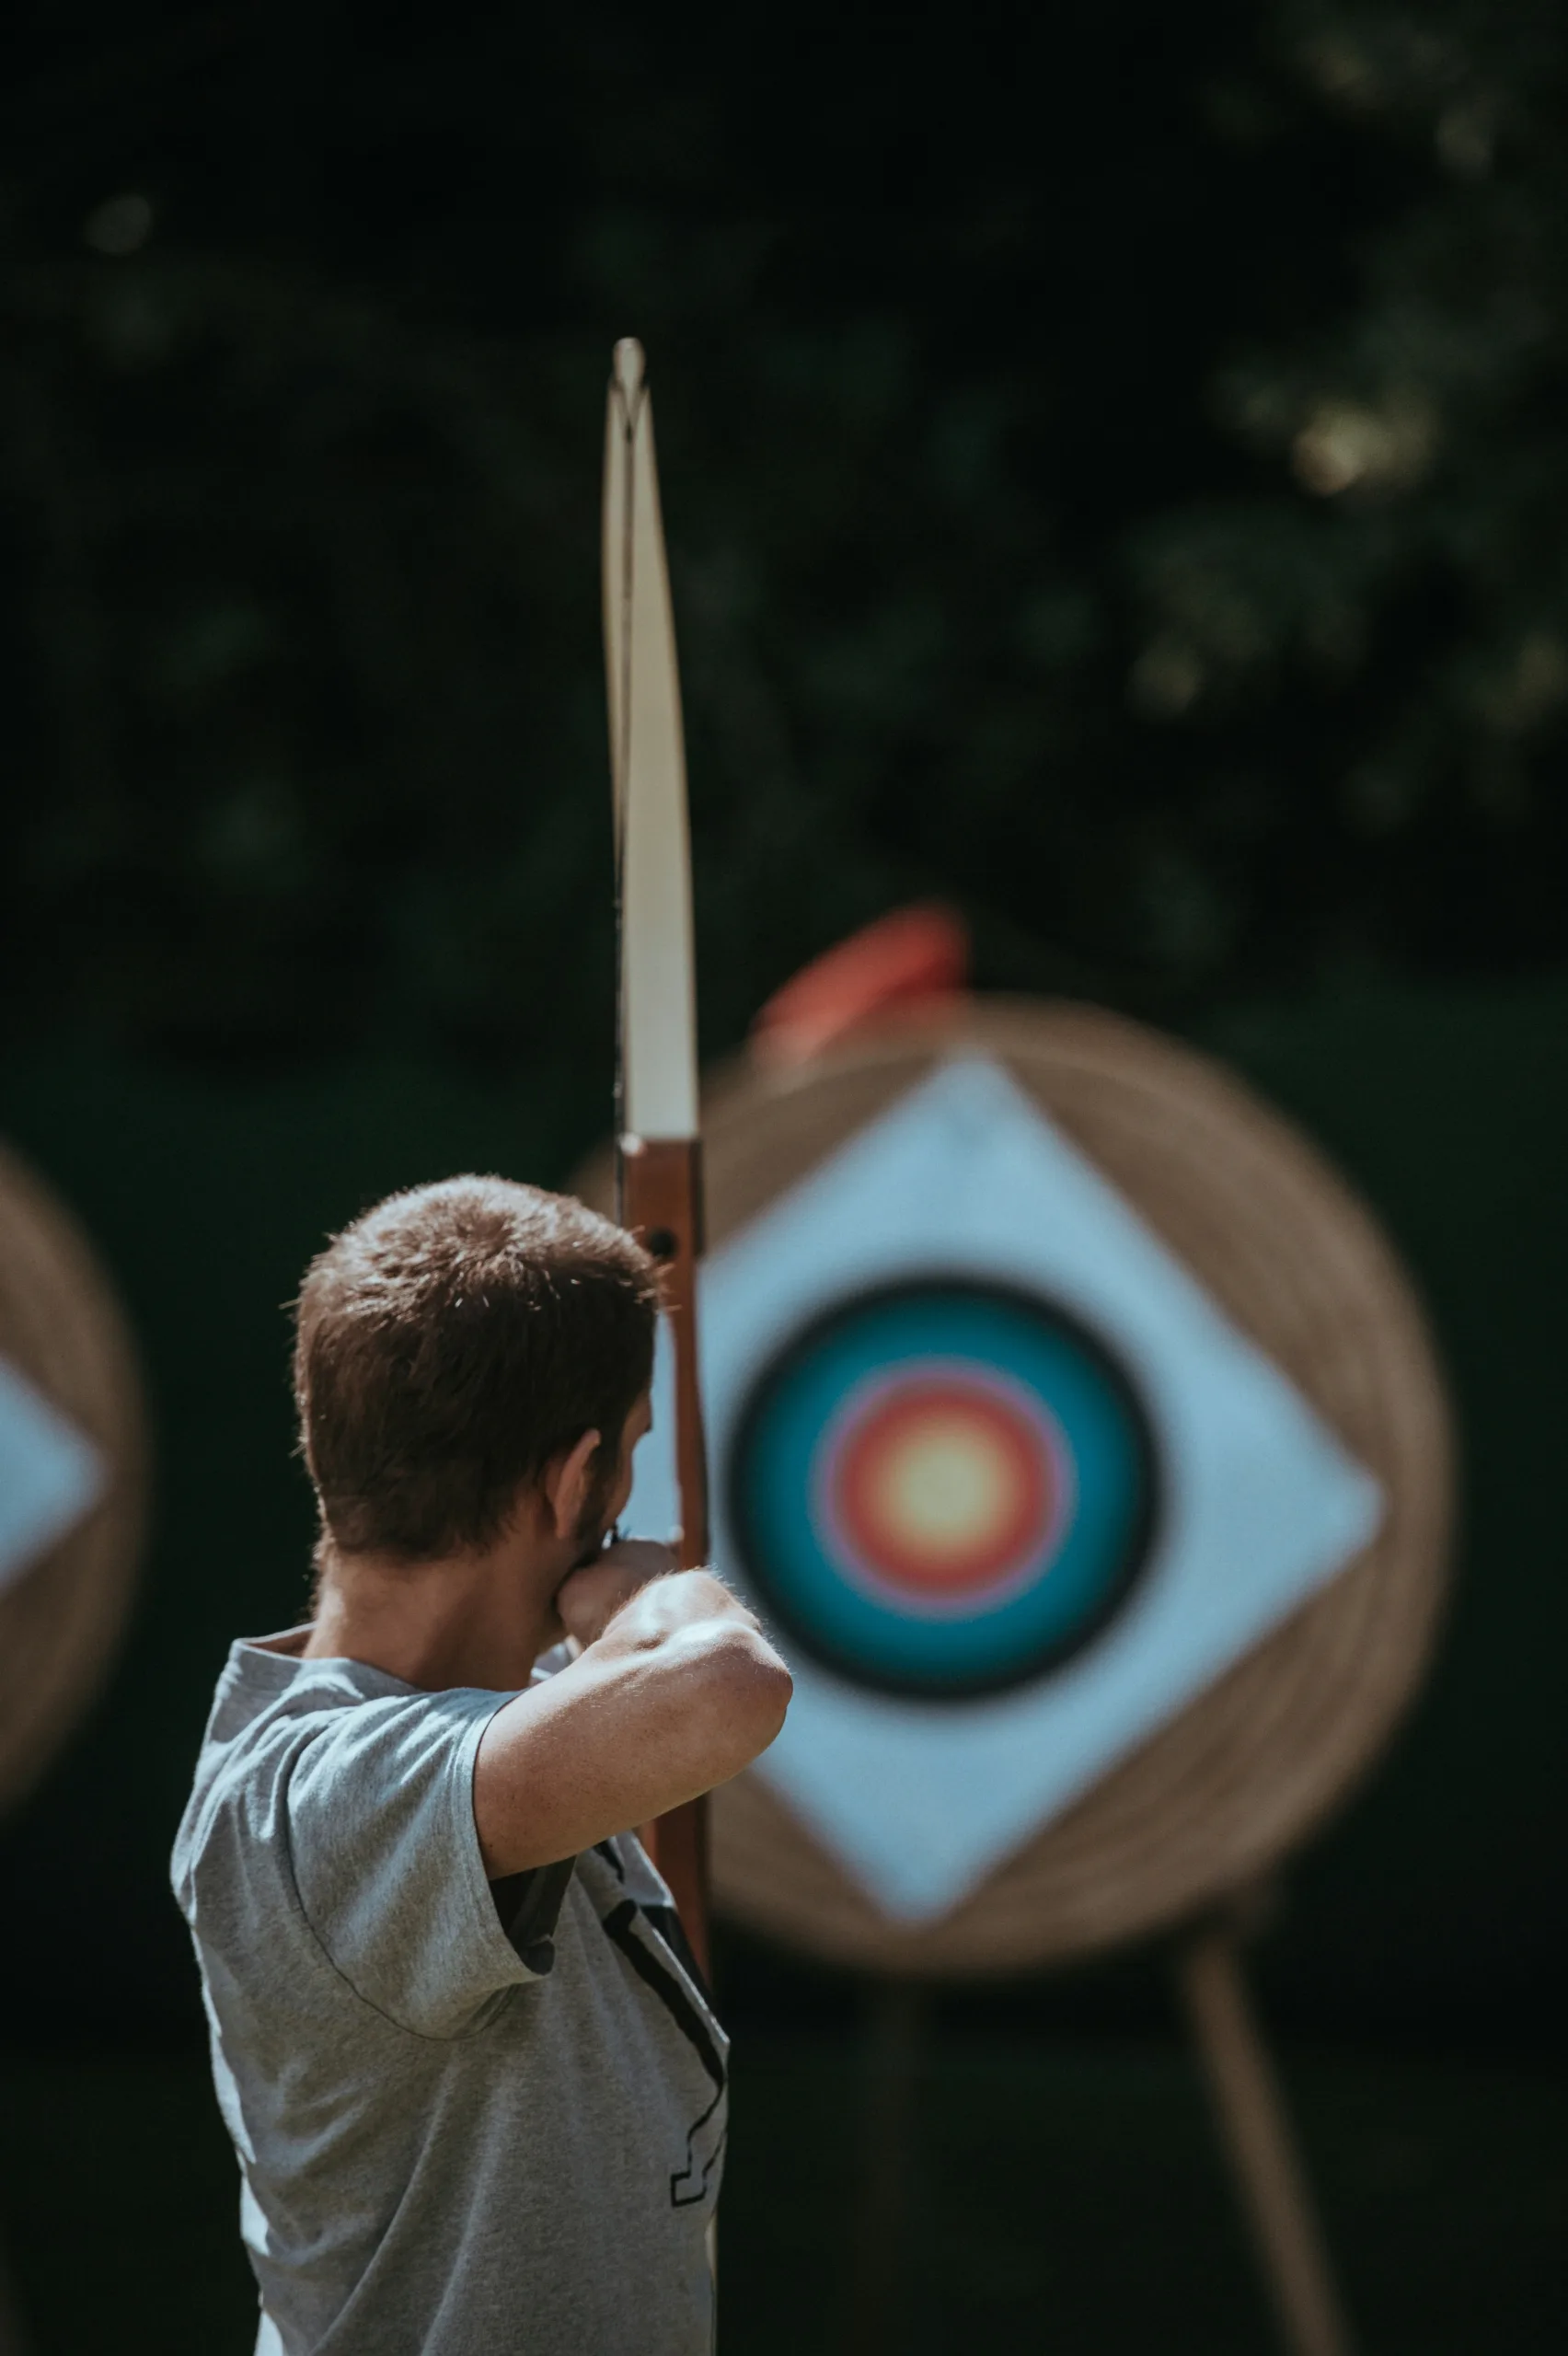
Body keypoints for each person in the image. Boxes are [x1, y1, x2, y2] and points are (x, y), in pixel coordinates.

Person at [172, 1175, 792, 2356]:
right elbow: (727, 1686)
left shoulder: (498, 1725)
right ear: (576, 1478)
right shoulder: (317, 1795)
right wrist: (652, 1594)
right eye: (629, 1460)